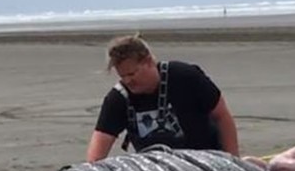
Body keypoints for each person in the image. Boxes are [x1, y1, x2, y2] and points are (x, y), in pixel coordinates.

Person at [85, 36, 240, 162]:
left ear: (149, 62)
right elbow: (97, 151)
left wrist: (233, 161)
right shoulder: (119, 98)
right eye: (122, 76)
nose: (127, 81)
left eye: (132, 74)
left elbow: (222, 116)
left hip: (207, 159)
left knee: (253, 165)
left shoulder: (186, 77)